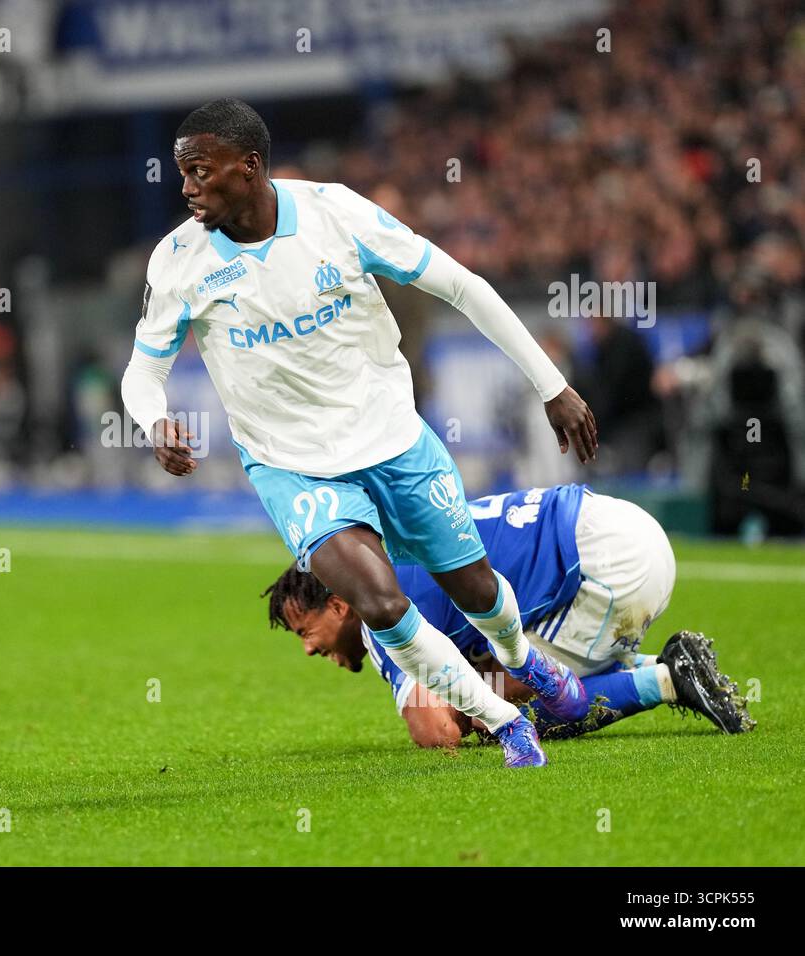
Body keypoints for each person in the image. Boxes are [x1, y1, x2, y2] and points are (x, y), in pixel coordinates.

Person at [121, 98, 599, 767]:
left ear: (249, 166)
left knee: (477, 591)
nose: (187, 187)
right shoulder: (178, 260)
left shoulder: (336, 213)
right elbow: (143, 371)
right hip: (291, 465)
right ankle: (506, 724)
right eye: (183, 172)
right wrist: (154, 420)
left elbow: (461, 286)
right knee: (379, 603)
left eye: (200, 170)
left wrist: (552, 386)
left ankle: (524, 661)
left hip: (393, 439)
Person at [263, 485, 756, 747]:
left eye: (306, 631)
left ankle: (669, 679)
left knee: (499, 709)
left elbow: (434, 732)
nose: (308, 648)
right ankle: (661, 664)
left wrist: (464, 707)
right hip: (623, 526)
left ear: (339, 604)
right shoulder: (394, 546)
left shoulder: (377, 607)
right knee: (492, 673)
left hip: (598, 567)